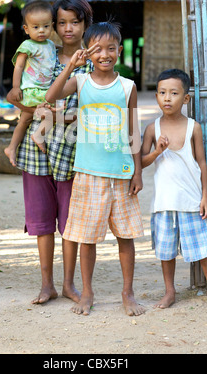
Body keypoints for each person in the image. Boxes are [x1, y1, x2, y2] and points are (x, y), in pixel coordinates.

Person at [45, 21, 144, 317]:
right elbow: (51, 97)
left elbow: (133, 130)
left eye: (111, 48)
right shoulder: (82, 81)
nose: (105, 54)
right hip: (88, 172)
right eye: (97, 49)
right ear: (88, 51)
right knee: (87, 238)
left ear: (120, 50)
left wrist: (138, 171)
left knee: (125, 236)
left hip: (122, 173)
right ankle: (86, 292)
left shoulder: (128, 87)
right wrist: (71, 66)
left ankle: (128, 292)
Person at [8, 0, 94, 305]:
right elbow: (16, 97)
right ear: (53, 25)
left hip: (74, 152)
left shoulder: (97, 61)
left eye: (75, 22)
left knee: (71, 221)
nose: (68, 28)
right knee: (42, 219)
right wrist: (25, 104)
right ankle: (47, 285)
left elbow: (98, 111)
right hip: (38, 149)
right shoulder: (42, 54)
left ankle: (70, 284)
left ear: (86, 23)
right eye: (62, 22)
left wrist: (57, 115)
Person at [141, 68, 207, 312]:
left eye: (174, 93)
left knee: (202, 247)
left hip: (190, 200)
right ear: (156, 95)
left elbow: (201, 162)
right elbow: (142, 162)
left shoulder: (193, 128)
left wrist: (205, 196)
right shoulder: (152, 129)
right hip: (164, 202)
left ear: (185, 98)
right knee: (166, 251)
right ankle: (170, 291)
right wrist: (158, 151)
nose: (167, 98)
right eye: (162, 92)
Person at [4, 0, 57, 165]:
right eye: (35, 27)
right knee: (51, 112)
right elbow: (19, 66)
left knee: (26, 118)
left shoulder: (51, 45)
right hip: (32, 90)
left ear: (52, 26)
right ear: (26, 29)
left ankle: (12, 147)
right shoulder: (27, 45)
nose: (41, 30)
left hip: (45, 90)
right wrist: (15, 87)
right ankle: (36, 136)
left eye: (46, 26)